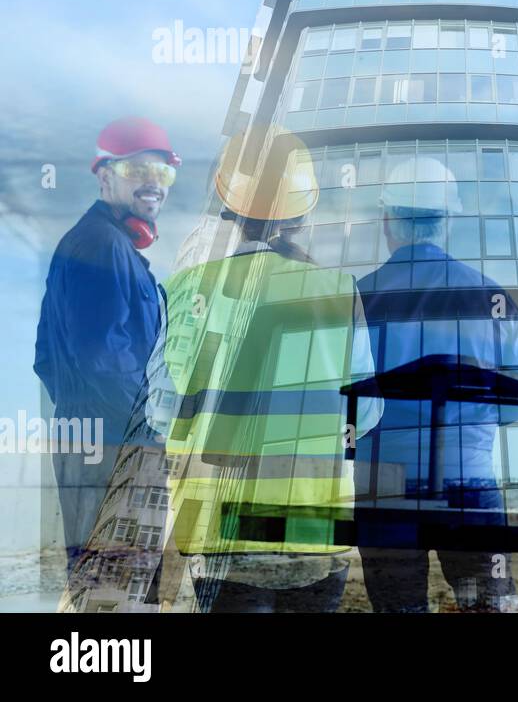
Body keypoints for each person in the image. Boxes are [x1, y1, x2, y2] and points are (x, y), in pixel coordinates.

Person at [156, 125, 380, 612]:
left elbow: (161, 411)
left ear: (226, 204)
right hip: (314, 523)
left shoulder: (187, 289)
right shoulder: (341, 292)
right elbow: (365, 414)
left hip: (218, 527)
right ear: (303, 214)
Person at [352, 155, 518, 612]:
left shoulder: (355, 299)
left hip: (383, 485)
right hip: (470, 480)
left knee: (398, 607)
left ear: (388, 220)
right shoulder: (493, 298)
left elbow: (343, 405)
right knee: (489, 605)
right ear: (448, 220)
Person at [35, 116, 181, 574]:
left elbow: (47, 358)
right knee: (121, 587)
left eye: (163, 173)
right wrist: (153, 434)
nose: (154, 184)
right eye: (139, 170)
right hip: (117, 450)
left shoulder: (102, 243)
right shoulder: (101, 245)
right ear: (105, 176)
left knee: (108, 586)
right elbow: (103, 359)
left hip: (96, 444)